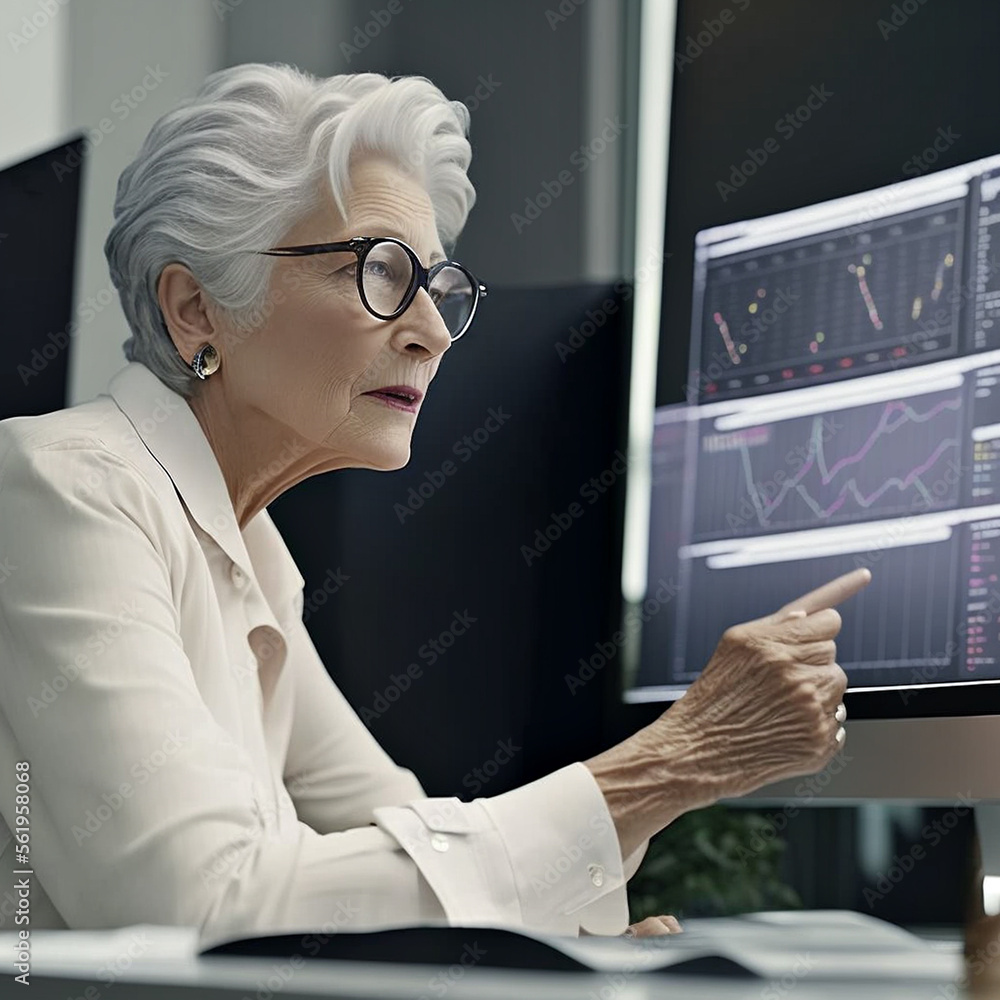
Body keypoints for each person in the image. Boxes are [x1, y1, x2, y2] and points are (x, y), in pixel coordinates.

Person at [0, 63, 869, 949]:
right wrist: (671, 764)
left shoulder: (248, 548)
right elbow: (204, 904)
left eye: (438, 287)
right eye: (380, 273)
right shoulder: (63, 487)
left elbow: (396, 833)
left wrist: (557, 950)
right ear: (195, 309)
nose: (434, 330)